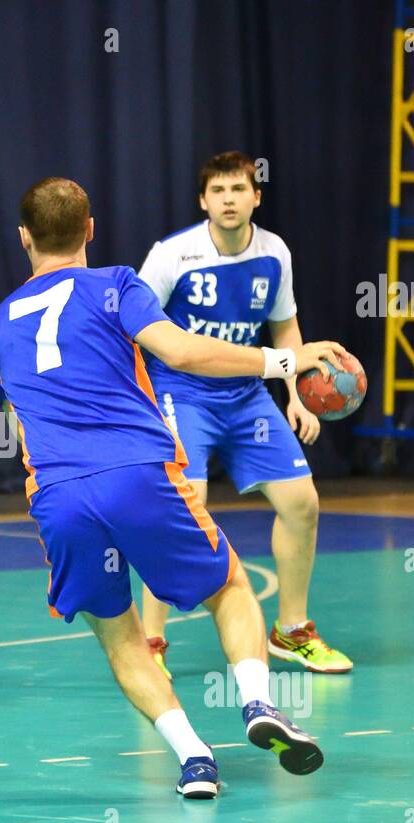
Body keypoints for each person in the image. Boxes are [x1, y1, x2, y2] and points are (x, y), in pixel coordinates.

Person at [0, 177, 342, 797]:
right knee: (230, 587)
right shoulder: (116, 284)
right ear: (90, 229)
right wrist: (284, 360)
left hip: (58, 496)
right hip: (136, 473)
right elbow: (180, 352)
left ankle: (194, 760)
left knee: (122, 639)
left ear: (23, 238)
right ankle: (259, 704)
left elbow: (19, 419)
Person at [138, 151, 352, 676]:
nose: (228, 200)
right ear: (203, 201)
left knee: (302, 503)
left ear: (257, 196)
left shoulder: (274, 252)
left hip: (245, 394)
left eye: (238, 189)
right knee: (184, 507)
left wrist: (296, 394)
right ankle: (150, 643)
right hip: (181, 393)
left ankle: (292, 630)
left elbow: (285, 329)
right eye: (218, 191)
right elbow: (135, 326)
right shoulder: (171, 255)